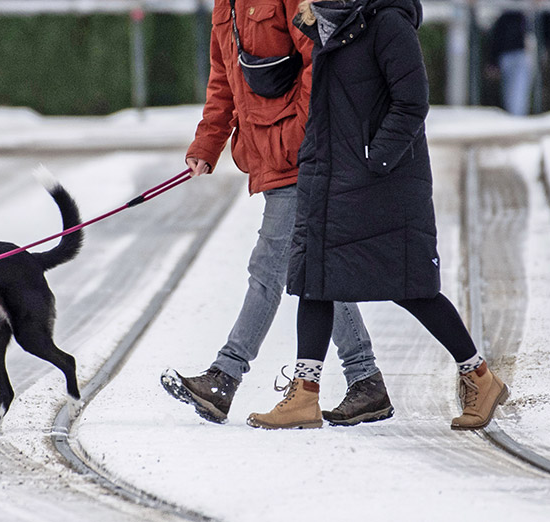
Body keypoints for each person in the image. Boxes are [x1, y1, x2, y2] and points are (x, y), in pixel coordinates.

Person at [246, 0, 508, 431]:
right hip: (331, 173)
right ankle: (305, 395)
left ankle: (479, 376)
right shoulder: (330, 24)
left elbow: (412, 102)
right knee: (314, 278)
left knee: (410, 285)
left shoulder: (387, 23)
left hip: (381, 181)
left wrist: (375, 158)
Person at [160, 0, 393, 428]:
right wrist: (207, 145)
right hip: (268, 154)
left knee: (269, 266)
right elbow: (223, 79)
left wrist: (298, 136)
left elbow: (318, 61)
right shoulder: (224, 5)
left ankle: (225, 377)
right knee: (314, 269)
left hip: (298, 154)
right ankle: (366, 378)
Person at [488, 2, 532, 115]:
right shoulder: (504, 18)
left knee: (517, 95)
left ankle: (517, 120)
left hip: (518, 55)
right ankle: (514, 119)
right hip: (507, 56)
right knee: (511, 95)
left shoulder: (518, 15)